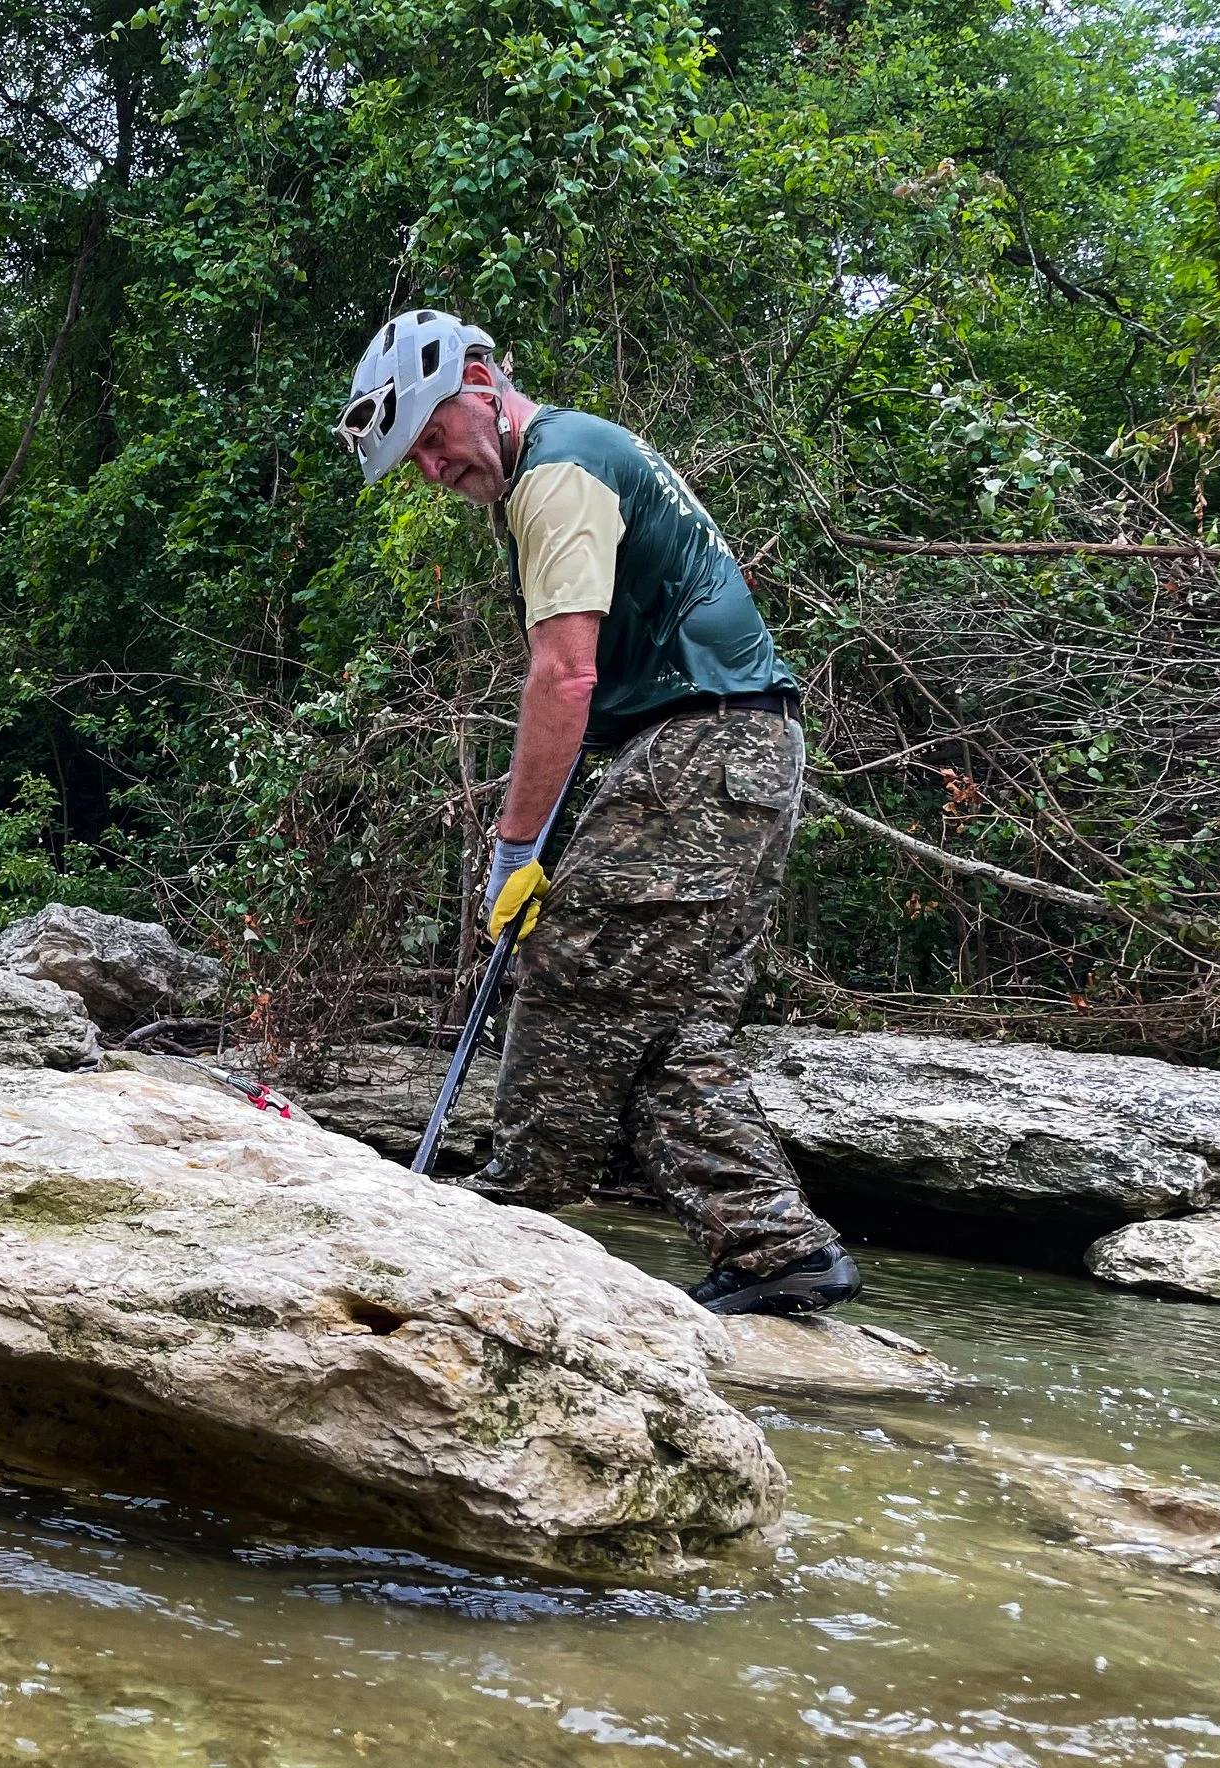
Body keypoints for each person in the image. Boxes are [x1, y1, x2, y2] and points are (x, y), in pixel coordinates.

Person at [335, 311, 860, 1316]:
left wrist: (516, 848)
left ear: (479, 383)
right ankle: (776, 1248)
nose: (433, 470)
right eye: (413, 462)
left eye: (433, 440)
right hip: (746, 750)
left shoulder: (556, 472)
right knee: (671, 1028)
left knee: (573, 972)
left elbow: (564, 675)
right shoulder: (578, 454)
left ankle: (500, 1226)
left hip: (703, 749)